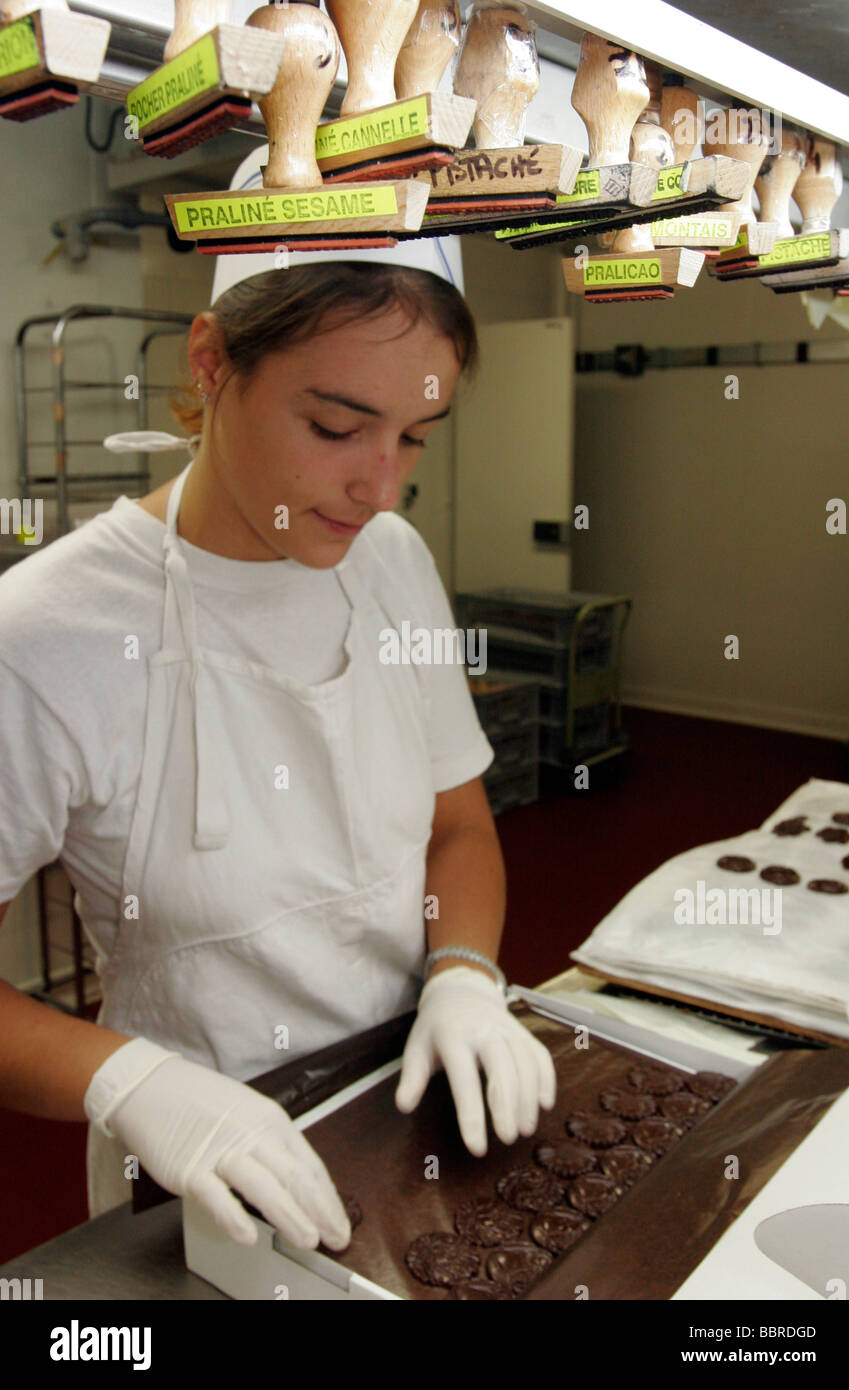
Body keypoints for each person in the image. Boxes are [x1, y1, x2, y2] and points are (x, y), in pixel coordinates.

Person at [0, 147, 555, 1254]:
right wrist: (141, 1086)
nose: (377, 486)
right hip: (208, 1179)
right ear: (211, 363)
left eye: (412, 440)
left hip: (407, 1107)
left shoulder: (390, 560)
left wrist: (460, 975)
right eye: (336, 427)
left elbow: (455, 826)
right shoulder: (45, 633)